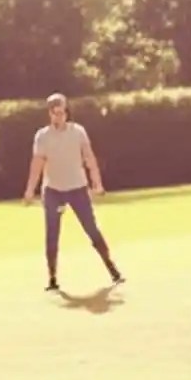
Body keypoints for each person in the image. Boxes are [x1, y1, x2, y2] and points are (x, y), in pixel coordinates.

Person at [23, 92, 125, 291]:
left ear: (66, 112)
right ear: (49, 114)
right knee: (52, 235)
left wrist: (97, 182)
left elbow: (89, 157)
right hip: (53, 191)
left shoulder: (78, 132)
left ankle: (112, 269)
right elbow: (37, 165)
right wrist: (29, 190)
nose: (59, 117)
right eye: (55, 113)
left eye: (62, 113)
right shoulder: (42, 137)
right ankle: (52, 278)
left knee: (91, 229)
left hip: (77, 188)